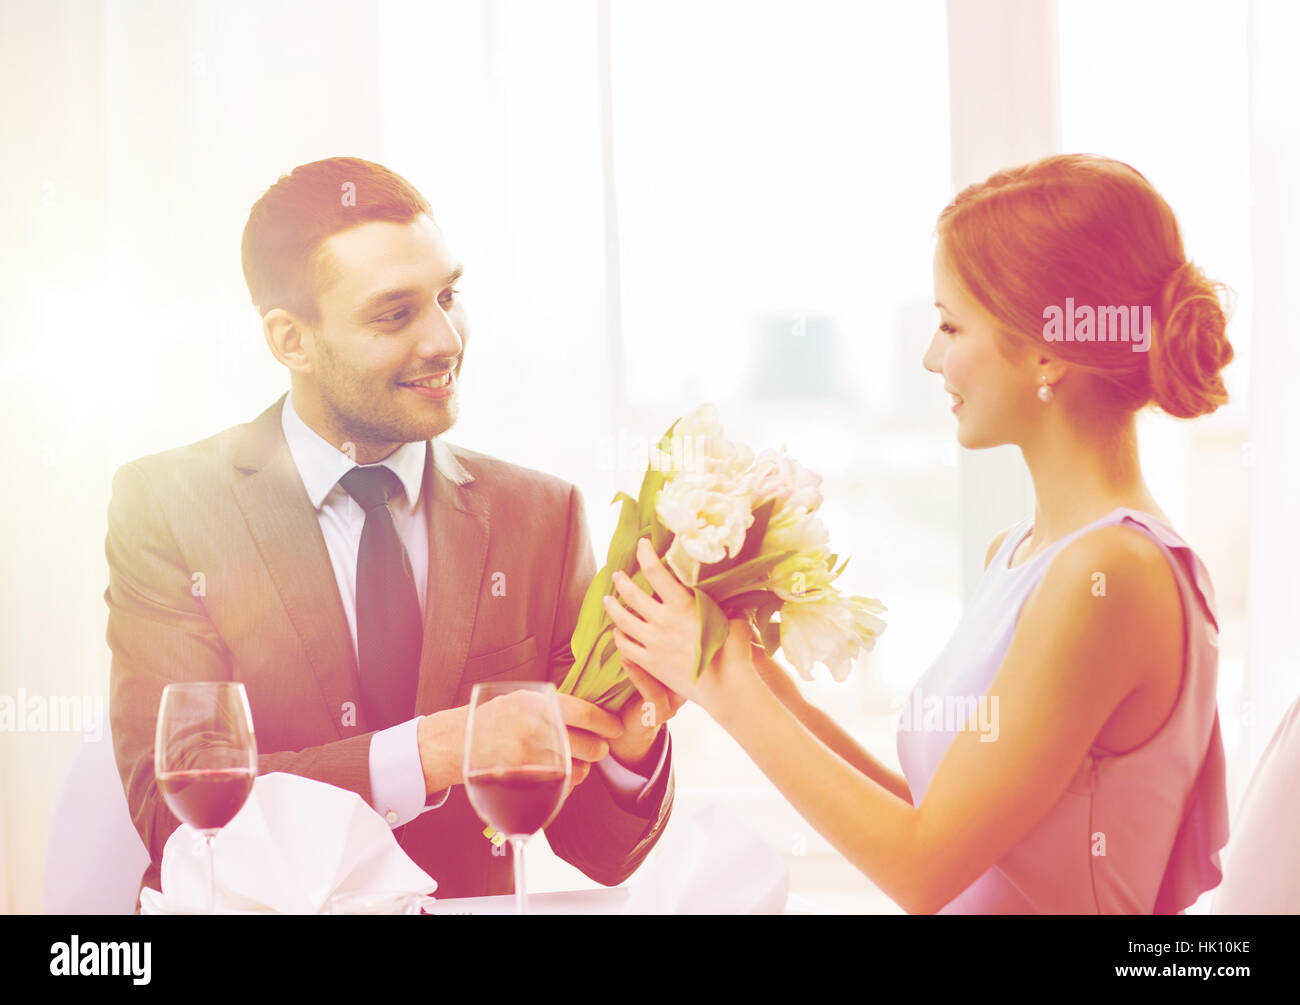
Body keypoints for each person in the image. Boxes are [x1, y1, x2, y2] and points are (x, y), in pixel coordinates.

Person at [606, 154, 1234, 914]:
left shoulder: (1109, 573)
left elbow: (923, 867)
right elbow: (944, 829)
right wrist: (749, 673)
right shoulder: (1028, 554)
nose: (932, 356)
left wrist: (723, 687)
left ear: (1046, 350)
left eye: (949, 323)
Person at [105, 156, 677, 908]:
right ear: (291, 341)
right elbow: (173, 817)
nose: (445, 340)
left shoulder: (542, 516)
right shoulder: (168, 505)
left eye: (449, 295)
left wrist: (632, 740)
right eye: (395, 313)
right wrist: (437, 750)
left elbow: (600, 854)